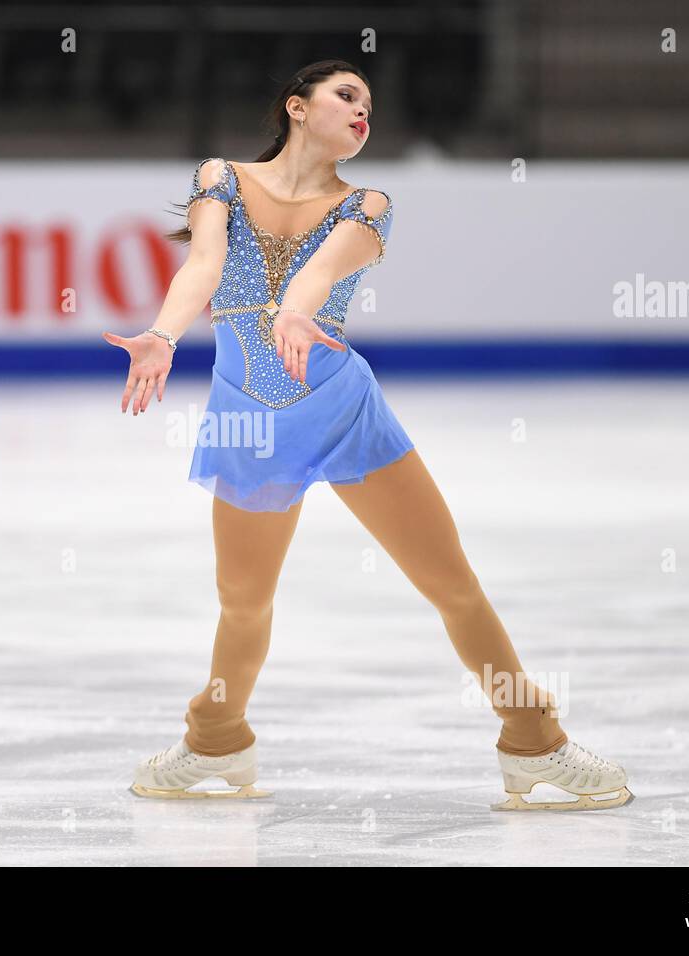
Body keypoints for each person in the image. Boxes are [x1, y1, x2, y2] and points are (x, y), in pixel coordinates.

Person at [103, 60, 632, 811]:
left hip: (343, 409)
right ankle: (216, 737)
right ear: (296, 105)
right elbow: (205, 259)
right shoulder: (220, 176)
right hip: (250, 419)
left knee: (451, 584)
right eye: (345, 96)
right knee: (243, 601)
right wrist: (162, 332)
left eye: (370, 106)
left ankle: (534, 739)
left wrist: (293, 312)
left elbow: (320, 274)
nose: (362, 112)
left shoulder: (370, 203)